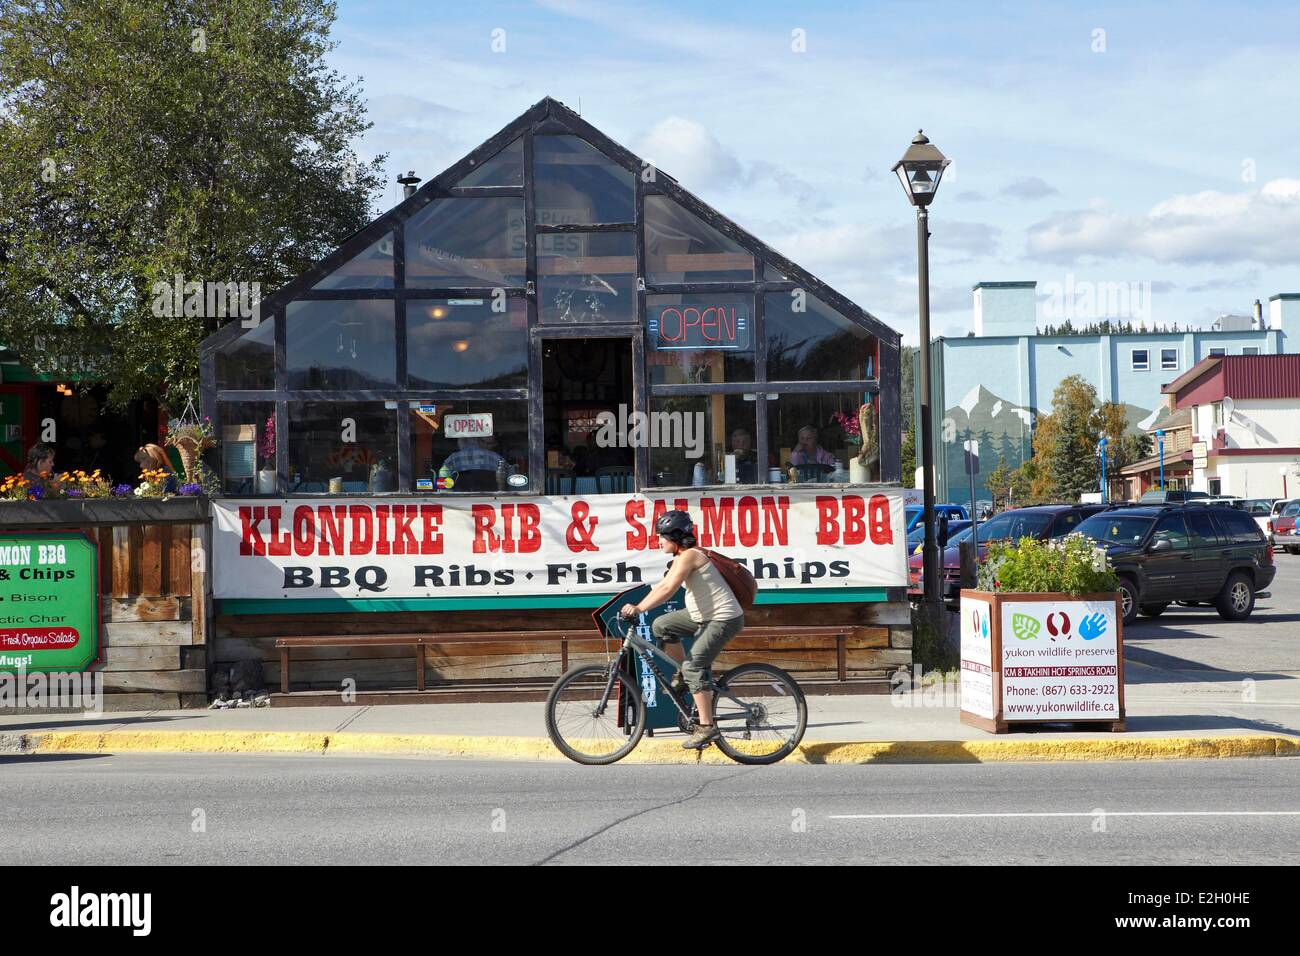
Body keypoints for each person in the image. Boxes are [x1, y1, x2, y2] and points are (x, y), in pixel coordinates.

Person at [619, 509, 744, 751]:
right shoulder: (681, 558)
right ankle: (683, 676)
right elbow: (663, 585)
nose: (658, 541)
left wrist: (639, 608)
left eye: (661, 537)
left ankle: (707, 727)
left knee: (694, 665)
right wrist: (637, 606)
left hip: (723, 618)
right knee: (662, 626)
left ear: (675, 537)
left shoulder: (690, 556)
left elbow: (669, 589)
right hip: (702, 616)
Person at [440, 436, 505, 475]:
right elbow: (511, 479)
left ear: (461, 441)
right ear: (480, 441)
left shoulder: (451, 460)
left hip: (460, 497)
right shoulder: (497, 458)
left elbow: (443, 484)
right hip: (492, 497)